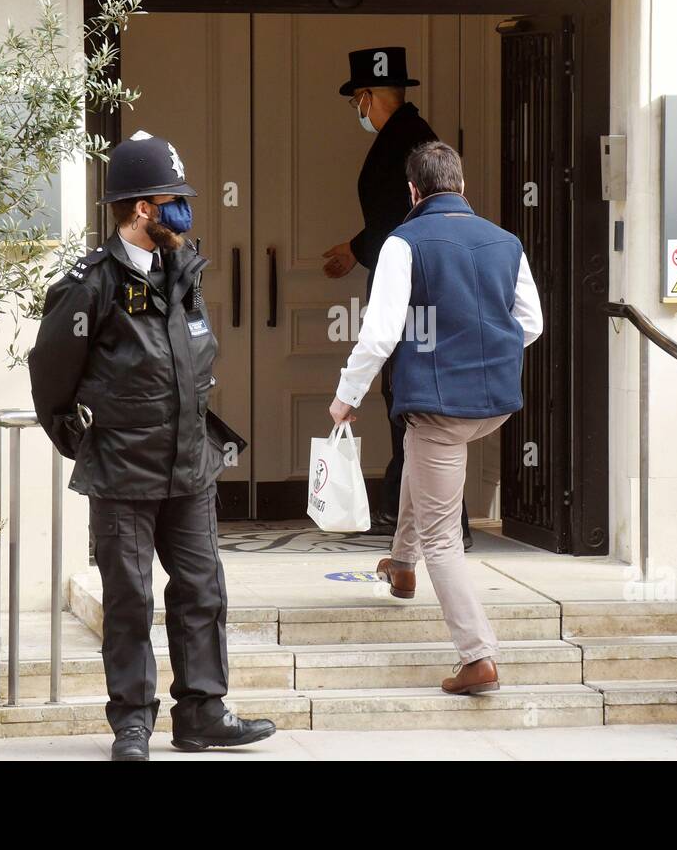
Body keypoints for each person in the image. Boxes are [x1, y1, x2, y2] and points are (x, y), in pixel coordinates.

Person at [29, 131, 275, 760]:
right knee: (130, 598)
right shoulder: (92, 283)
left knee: (201, 590)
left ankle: (202, 713)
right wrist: (76, 437)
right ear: (143, 208)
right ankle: (132, 725)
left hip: (190, 463)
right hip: (121, 470)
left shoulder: (182, 270)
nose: (185, 210)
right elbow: (51, 368)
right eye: (175, 199)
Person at [328, 141, 543, 694]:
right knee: (425, 465)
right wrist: (483, 351)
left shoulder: (404, 242)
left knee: (442, 533)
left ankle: (477, 656)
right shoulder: (506, 240)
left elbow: (380, 331)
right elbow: (532, 322)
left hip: (439, 405)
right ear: (462, 186)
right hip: (493, 403)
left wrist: (348, 393)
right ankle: (402, 565)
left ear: (413, 191)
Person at [321, 46, 475, 549]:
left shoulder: (407, 143)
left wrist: (359, 248)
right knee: (411, 400)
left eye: (356, 102)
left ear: (366, 97)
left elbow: (395, 221)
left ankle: (434, 522)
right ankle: (415, 518)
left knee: (409, 398)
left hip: (410, 288)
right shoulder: (408, 135)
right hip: (420, 286)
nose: (357, 112)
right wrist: (356, 246)